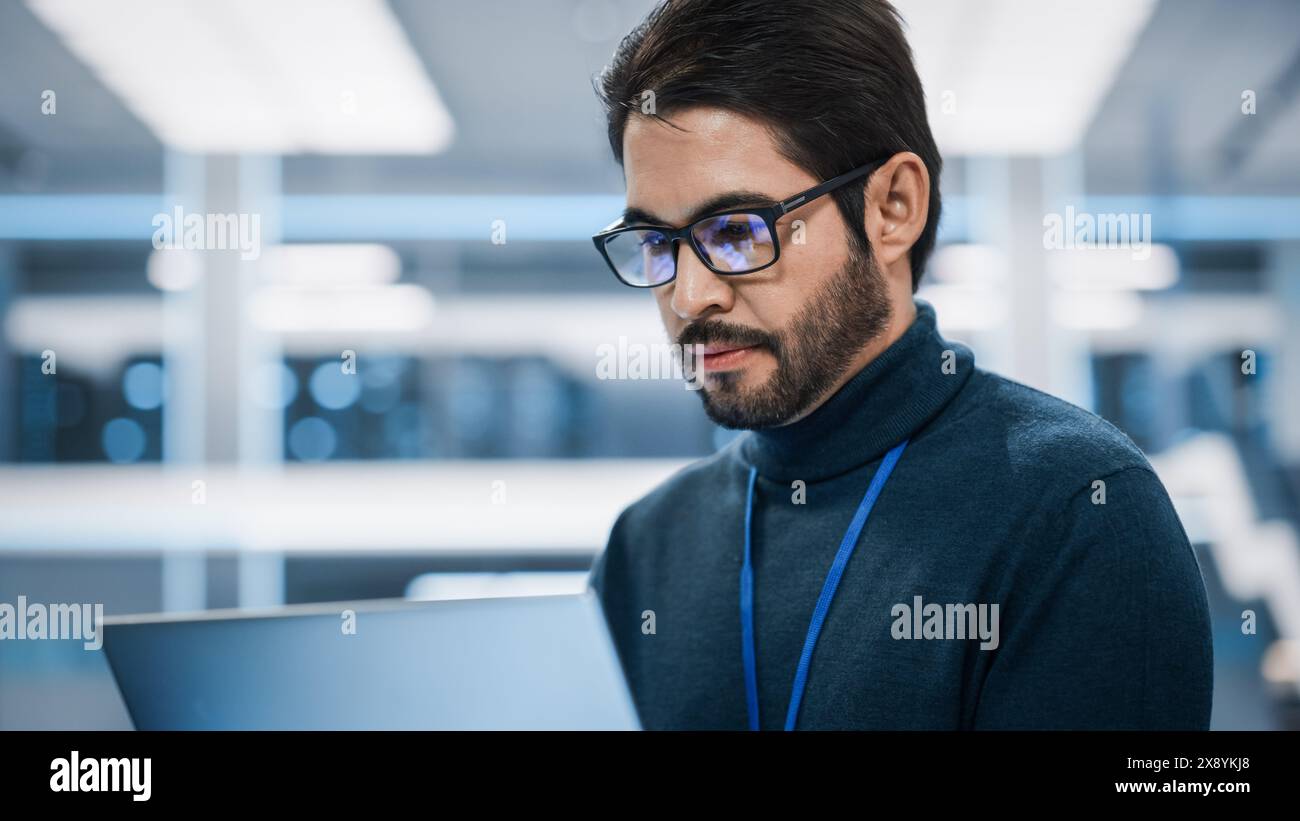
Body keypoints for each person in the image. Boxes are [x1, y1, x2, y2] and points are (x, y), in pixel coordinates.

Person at [587, 0, 1213, 730]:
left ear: (892, 206)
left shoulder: (1079, 510)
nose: (689, 296)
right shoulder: (649, 546)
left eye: (735, 231)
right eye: (658, 244)